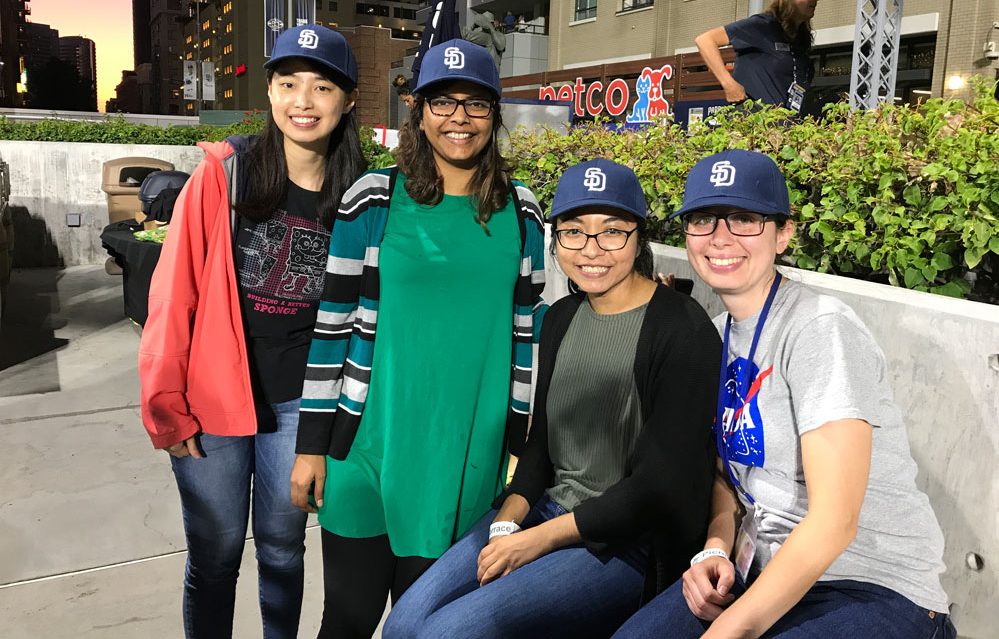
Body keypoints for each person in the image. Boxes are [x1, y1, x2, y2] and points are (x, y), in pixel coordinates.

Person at [613, 149, 955, 639]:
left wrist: (728, 631)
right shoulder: (716, 335)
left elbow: (835, 522)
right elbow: (728, 474)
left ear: (783, 233)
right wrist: (715, 546)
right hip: (761, 569)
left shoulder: (819, 328)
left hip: (868, 582)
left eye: (745, 218)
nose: (721, 237)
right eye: (703, 219)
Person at [382, 159, 722, 639]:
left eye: (612, 232)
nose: (591, 250)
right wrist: (506, 525)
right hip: (546, 511)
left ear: (638, 236)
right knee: (402, 625)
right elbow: (541, 445)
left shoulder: (683, 329)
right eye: (573, 232)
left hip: (625, 543)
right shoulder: (562, 316)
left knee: (447, 633)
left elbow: (658, 488)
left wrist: (534, 542)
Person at [289, 38, 547, 639]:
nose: (460, 118)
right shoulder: (373, 199)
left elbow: (527, 335)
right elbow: (333, 323)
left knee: (422, 625)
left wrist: (519, 444)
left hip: (465, 455)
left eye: (476, 104)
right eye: (443, 102)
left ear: (495, 114)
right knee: (346, 619)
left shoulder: (522, 212)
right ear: (419, 110)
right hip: (366, 446)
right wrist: (311, 445)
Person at [139, 25, 367, 638]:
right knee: (215, 557)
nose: (303, 101)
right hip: (210, 401)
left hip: (301, 406)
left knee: (283, 550)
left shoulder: (361, 195)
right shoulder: (224, 176)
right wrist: (166, 406)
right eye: (289, 84)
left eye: (323, 87)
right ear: (269, 92)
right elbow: (173, 293)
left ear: (348, 100)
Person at [695, 0, 832, 112]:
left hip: (786, 122)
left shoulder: (800, 39)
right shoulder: (763, 25)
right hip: (753, 121)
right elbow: (705, 40)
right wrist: (729, 84)